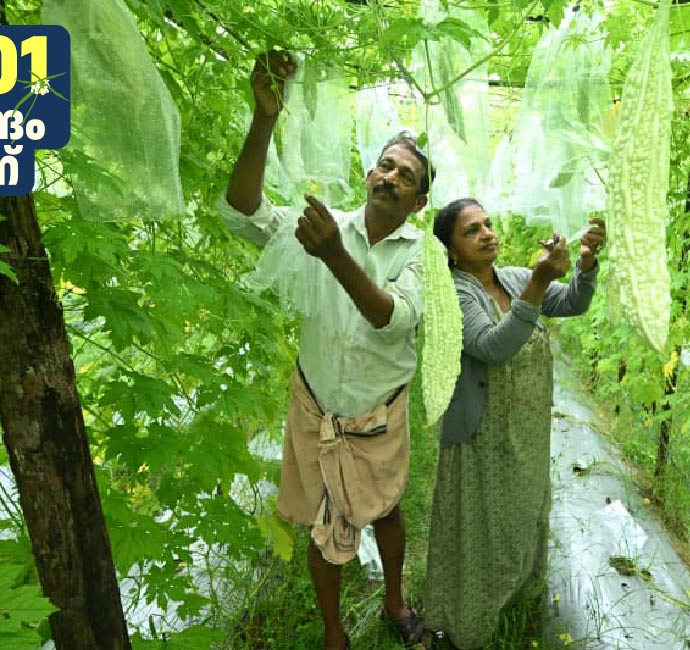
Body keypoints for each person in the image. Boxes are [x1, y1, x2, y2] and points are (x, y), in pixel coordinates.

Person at [218, 50, 436, 650]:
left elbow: (393, 319)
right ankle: (334, 635)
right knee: (323, 524)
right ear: (370, 175)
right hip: (317, 406)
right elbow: (243, 211)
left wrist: (335, 257)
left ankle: (395, 601)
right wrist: (263, 119)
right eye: (385, 167)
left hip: (378, 412)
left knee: (386, 510)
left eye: (406, 177)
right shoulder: (322, 223)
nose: (391, 177)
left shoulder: (420, 256)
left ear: (418, 203)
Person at [424, 198, 606, 648]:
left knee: (521, 514)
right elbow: (491, 346)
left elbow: (571, 302)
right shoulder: (454, 293)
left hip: (526, 431)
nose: (487, 233)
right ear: (450, 249)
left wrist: (584, 263)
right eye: (471, 231)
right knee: (482, 523)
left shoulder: (513, 278)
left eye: (487, 225)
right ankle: (468, 618)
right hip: (482, 433)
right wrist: (540, 280)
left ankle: (513, 598)